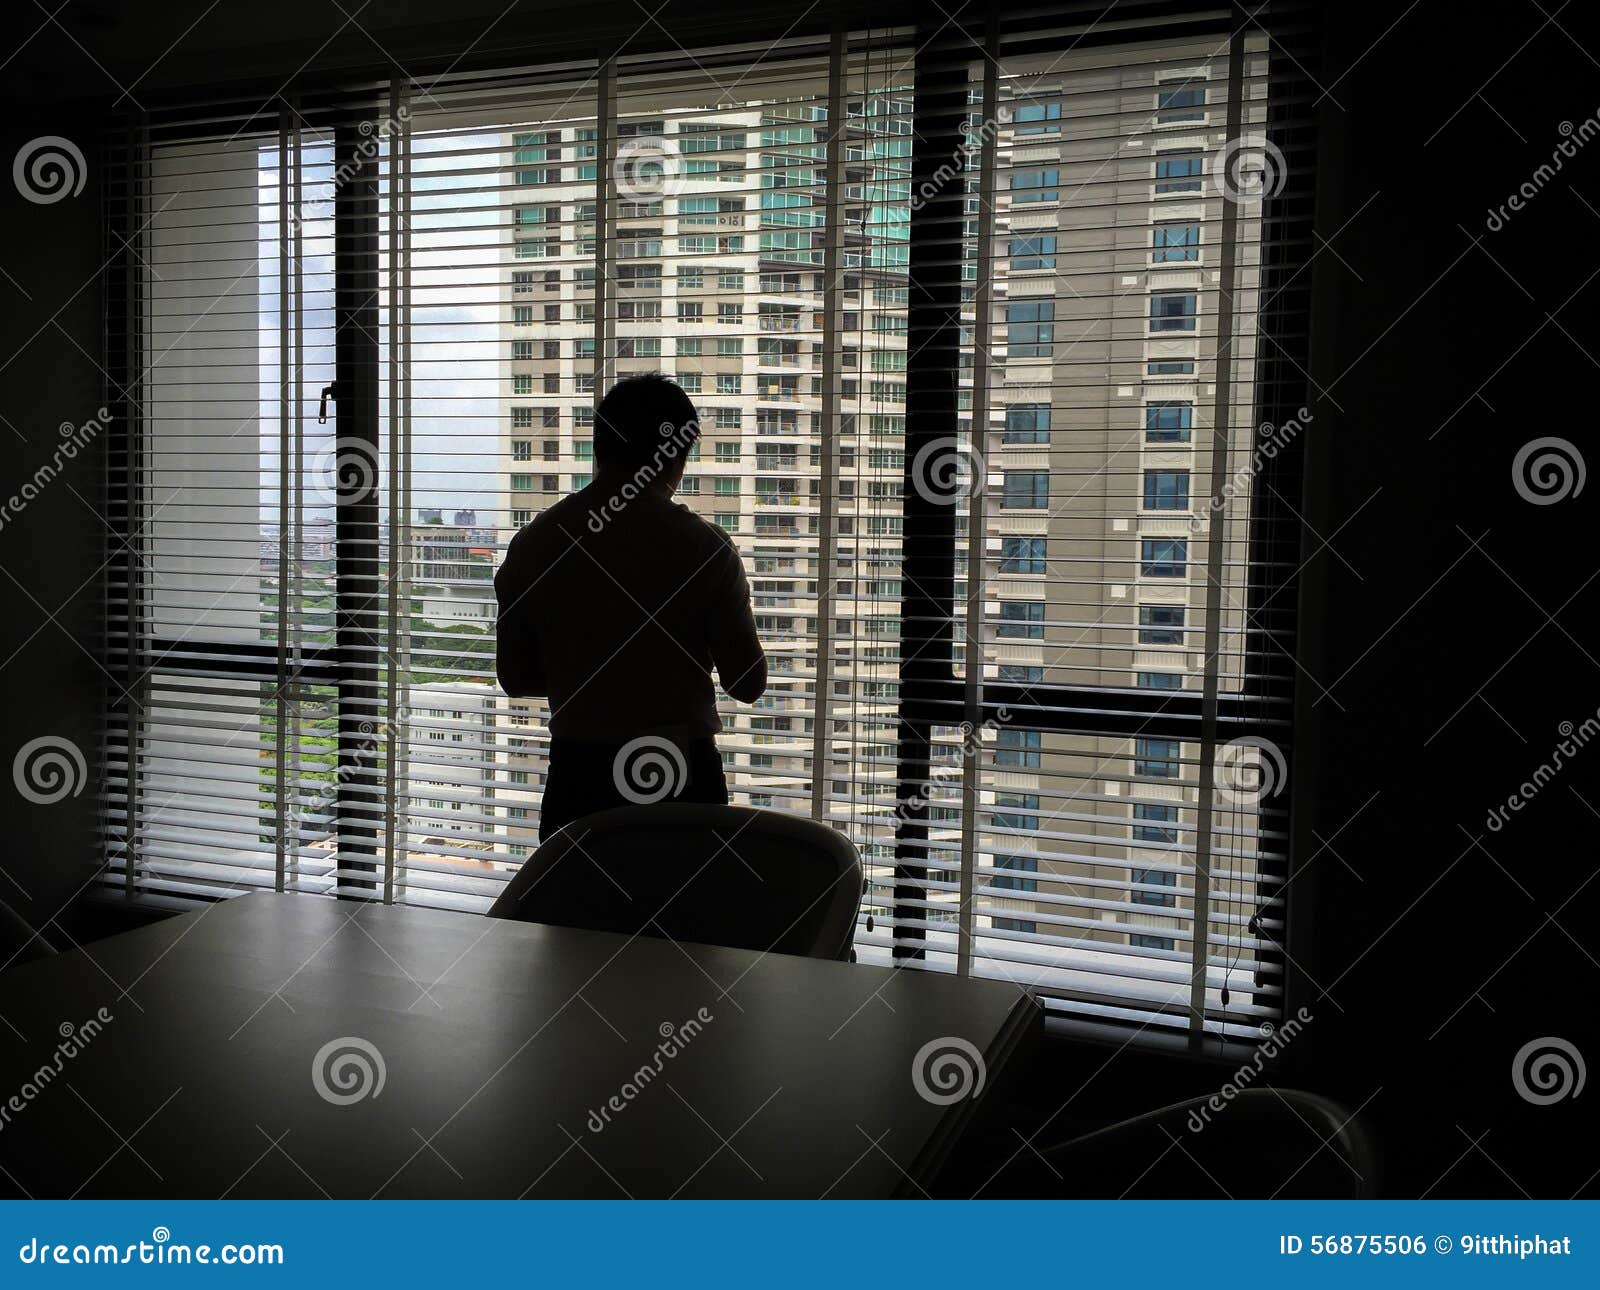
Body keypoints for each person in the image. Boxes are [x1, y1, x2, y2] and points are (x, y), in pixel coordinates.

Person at [494, 374, 767, 840]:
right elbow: (747, 684)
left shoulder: (536, 543)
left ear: (600, 447)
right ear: (677, 456)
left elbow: (516, 678)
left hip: (580, 774)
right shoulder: (707, 549)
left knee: (574, 889)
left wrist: (582, 669)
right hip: (681, 775)